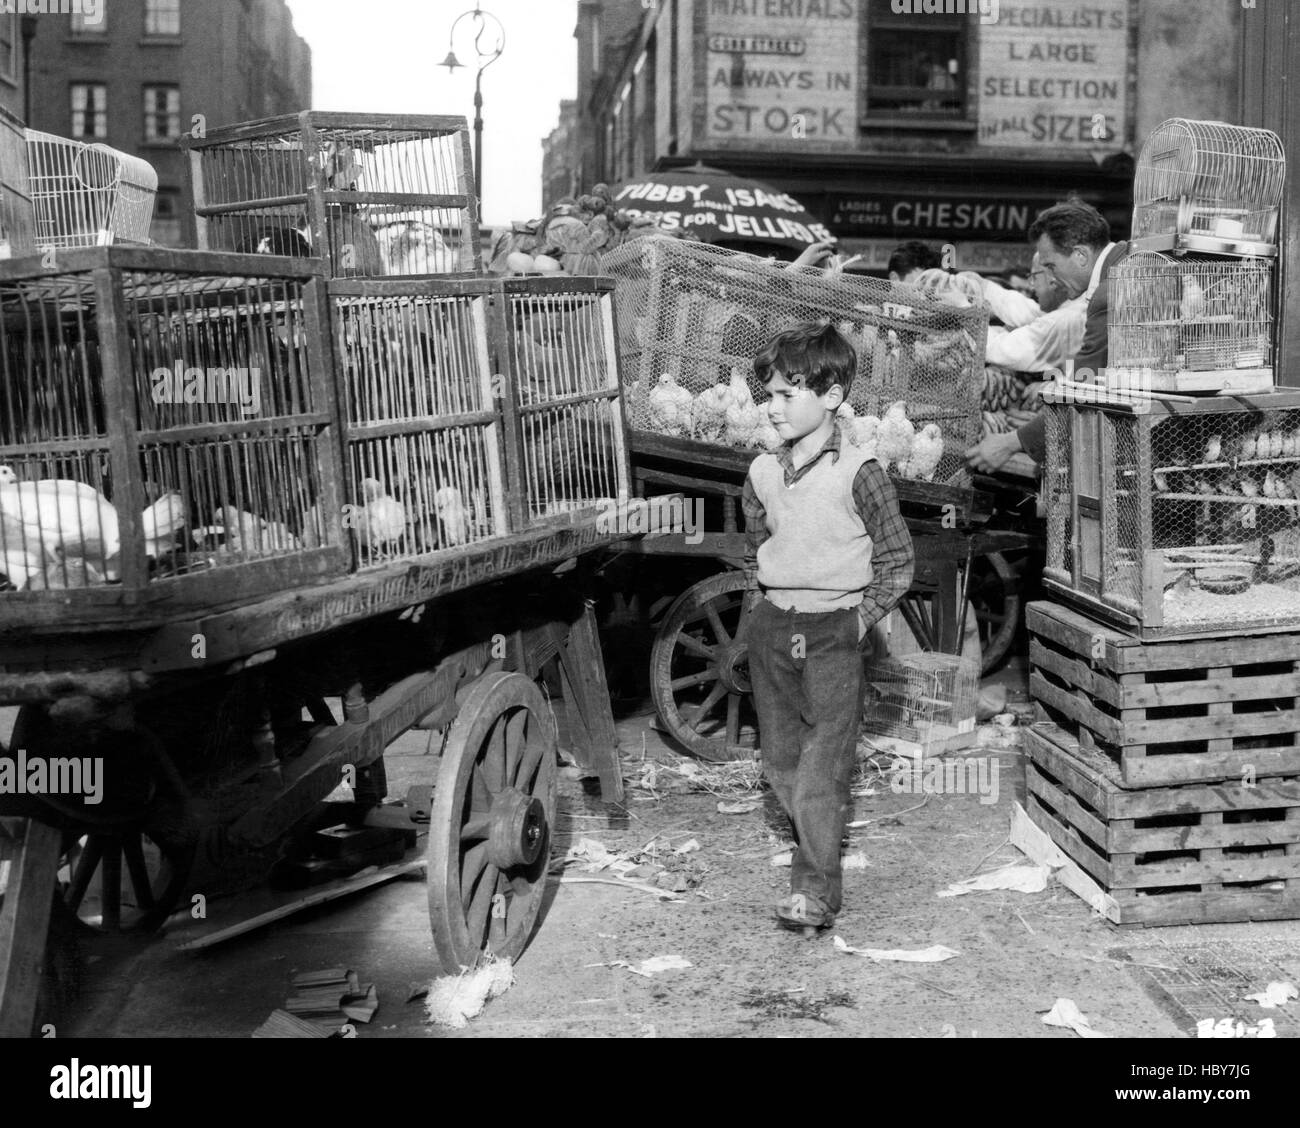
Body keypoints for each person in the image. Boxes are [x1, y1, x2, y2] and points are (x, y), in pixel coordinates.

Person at [741, 322, 915, 934]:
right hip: (773, 629)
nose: (773, 406)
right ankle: (809, 855)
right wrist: (759, 611)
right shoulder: (762, 471)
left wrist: (854, 623)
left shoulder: (862, 472)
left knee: (821, 771)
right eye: (769, 394)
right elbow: (755, 542)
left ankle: (814, 891)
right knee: (782, 764)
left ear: (833, 395)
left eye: (788, 394)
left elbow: (897, 563)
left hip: (833, 634)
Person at [965, 201, 1130, 473]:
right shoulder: (1127, 264)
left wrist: (1011, 442)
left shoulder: (1107, 295)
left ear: (1080, 255)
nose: (1052, 278)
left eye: (1051, 266)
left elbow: (1084, 392)